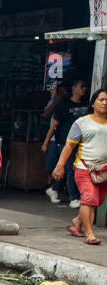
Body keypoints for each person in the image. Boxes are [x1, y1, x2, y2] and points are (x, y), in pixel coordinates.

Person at [51, 86, 107, 246]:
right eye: (101, 99)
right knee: (88, 200)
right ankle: (89, 234)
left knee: (97, 201)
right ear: (93, 103)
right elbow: (68, 146)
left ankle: (77, 222)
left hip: (103, 170)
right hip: (84, 168)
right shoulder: (81, 123)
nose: (104, 103)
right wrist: (60, 165)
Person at [48, 79, 89, 210]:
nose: (84, 89)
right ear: (74, 88)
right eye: (82, 86)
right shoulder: (63, 105)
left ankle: (54, 188)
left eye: (85, 87)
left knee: (70, 169)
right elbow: (54, 125)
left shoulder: (86, 105)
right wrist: (46, 142)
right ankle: (74, 197)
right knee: (70, 168)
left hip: (82, 142)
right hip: (65, 141)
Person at [42, 81, 71, 204]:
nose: (64, 94)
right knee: (52, 165)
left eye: (66, 91)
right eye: (62, 91)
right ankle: (51, 187)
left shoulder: (68, 104)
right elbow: (46, 115)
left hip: (64, 139)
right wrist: (56, 101)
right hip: (54, 139)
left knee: (65, 166)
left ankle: (54, 188)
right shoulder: (55, 102)